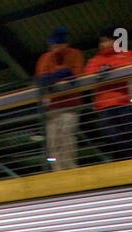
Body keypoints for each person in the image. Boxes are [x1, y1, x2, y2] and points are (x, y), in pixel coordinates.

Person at [84, 28, 132, 162]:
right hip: (104, 105)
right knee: (111, 136)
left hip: (124, 102)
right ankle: (124, 161)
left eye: (108, 40)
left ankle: (126, 161)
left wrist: (110, 68)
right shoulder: (95, 60)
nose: (105, 44)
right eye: (102, 41)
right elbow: (88, 74)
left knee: (126, 134)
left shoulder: (127, 54)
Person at [34, 27, 86, 170]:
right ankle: (57, 171)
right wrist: (62, 74)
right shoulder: (45, 58)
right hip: (51, 108)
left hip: (70, 106)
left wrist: (56, 77)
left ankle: (69, 169)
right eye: (53, 46)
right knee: (53, 142)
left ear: (65, 44)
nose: (56, 49)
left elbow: (76, 75)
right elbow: (42, 79)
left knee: (67, 136)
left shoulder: (75, 54)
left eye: (58, 45)